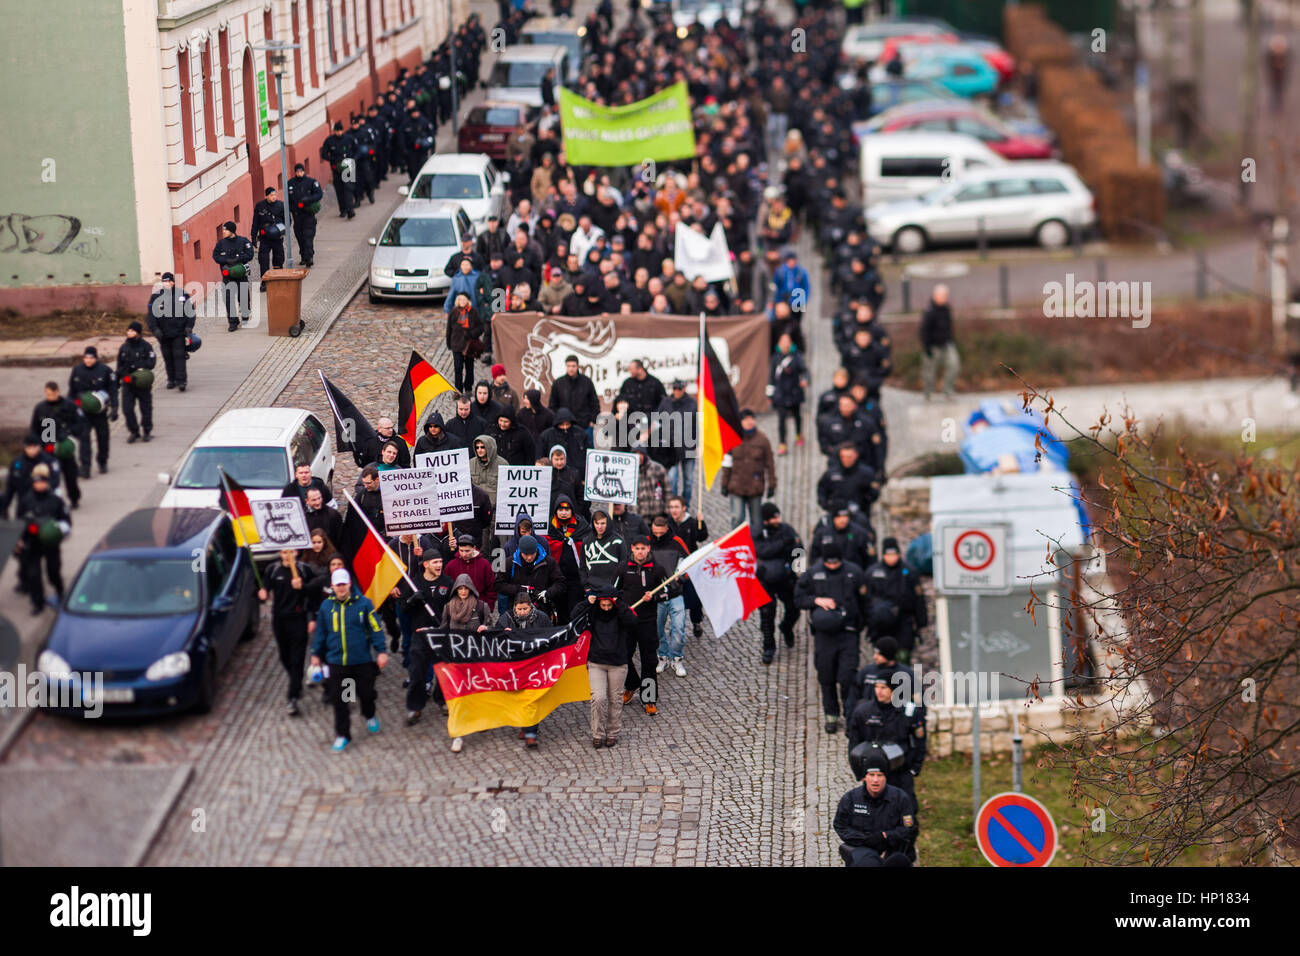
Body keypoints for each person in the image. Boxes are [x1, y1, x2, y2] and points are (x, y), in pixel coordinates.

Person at [310, 568, 388, 751]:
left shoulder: (364, 605)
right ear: (332, 587)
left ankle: (369, 714)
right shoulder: (326, 607)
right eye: (338, 585)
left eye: (344, 584)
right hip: (338, 663)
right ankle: (343, 734)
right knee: (341, 700)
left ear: (349, 585)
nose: (341, 588)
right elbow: (321, 632)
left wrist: (381, 651)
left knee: (367, 694)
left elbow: (375, 628)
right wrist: (316, 653)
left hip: (361, 661)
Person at [795, 541, 867, 734]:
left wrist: (862, 624)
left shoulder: (854, 572)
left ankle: (850, 716)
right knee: (826, 676)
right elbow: (799, 599)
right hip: (824, 635)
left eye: (836, 563)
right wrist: (816, 600)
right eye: (830, 563)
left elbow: (865, 601)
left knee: (847, 677)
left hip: (848, 632)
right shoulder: (812, 574)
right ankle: (831, 715)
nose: (833, 566)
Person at [847, 674, 927, 811]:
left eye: (883, 688)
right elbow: (854, 744)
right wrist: (860, 772)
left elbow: (919, 741)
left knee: (907, 809)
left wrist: (915, 766)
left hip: (901, 769)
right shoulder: (862, 712)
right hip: (874, 771)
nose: (878, 691)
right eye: (877, 687)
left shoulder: (909, 711)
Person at [258, 548, 321, 716]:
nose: (288, 555)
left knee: (297, 658)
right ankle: (296, 681)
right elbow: (264, 588)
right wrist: (262, 593)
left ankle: (292, 697)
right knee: (284, 656)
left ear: (297, 552)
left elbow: (314, 593)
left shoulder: (304, 569)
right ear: (280, 554)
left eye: (291, 552)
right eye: (284, 552)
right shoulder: (273, 570)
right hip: (279, 619)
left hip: (298, 618)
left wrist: (312, 616)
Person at [834, 747, 917, 867]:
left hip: (892, 847)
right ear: (864, 777)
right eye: (871, 775)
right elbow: (840, 826)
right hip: (862, 848)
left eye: (880, 775)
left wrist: (885, 836)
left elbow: (908, 828)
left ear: (886, 777)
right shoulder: (850, 799)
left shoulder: (900, 798)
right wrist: (865, 838)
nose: (875, 780)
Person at [440, 574, 494, 753]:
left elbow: (491, 626)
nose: (463, 591)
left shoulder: (481, 607)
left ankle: (482, 719)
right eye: (460, 588)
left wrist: (486, 628)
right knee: (459, 697)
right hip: (457, 660)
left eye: (466, 588)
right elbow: (443, 632)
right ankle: (458, 735)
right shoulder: (448, 608)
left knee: (478, 692)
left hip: (476, 659)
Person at [403, 551, 454, 725]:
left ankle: (442, 700)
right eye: (435, 562)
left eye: (441, 561)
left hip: (441, 633)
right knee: (417, 672)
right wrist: (412, 600)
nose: (439, 565)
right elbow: (403, 609)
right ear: (425, 564)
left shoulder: (448, 583)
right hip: (421, 635)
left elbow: (453, 608)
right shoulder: (415, 583)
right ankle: (415, 706)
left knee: (443, 671)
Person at [618, 534, 666, 714]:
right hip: (628, 622)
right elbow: (614, 593)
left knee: (649, 661)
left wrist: (654, 596)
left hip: (648, 622)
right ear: (632, 549)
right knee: (622, 655)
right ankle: (632, 684)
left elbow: (668, 592)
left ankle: (649, 699)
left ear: (648, 549)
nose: (640, 552)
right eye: (637, 548)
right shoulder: (623, 568)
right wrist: (623, 608)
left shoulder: (657, 569)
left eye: (643, 548)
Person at [499, 590, 554, 747]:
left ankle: (531, 733)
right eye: (519, 609)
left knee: (531, 698)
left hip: (535, 664)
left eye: (525, 609)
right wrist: (504, 633)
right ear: (514, 607)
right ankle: (525, 724)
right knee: (518, 698)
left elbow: (550, 636)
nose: (522, 612)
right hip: (515, 665)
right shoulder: (506, 619)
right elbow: (496, 638)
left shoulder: (542, 618)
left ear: (531, 607)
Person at [586, 584, 638, 748]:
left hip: (618, 663)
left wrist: (620, 604)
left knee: (615, 700)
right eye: (604, 605)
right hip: (596, 662)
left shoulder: (621, 611)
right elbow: (575, 615)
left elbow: (632, 621)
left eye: (609, 605)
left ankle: (612, 733)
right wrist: (587, 602)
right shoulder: (594, 611)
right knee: (598, 698)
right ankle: (597, 733)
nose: (607, 608)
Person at [14, 465, 70, 615]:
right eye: (37, 482)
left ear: (47, 482)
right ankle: (37, 603)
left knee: (53, 571)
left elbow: (66, 520)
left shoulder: (56, 500)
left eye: (42, 482)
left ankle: (60, 593)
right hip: (32, 543)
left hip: (50, 543)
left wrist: (58, 530)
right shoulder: (26, 500)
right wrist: (19, 539)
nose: (39, 484)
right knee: (33, 575)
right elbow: (19, 521)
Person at [864, 537, 928, 664]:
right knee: (883, 658)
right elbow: (866, 600)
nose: (891, 558)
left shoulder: (909, 572)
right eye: (888, 555)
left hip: (904, 619)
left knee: (903, 656)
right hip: (881, 622)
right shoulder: (873, 572)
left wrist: (921, 621)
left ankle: (901, 681)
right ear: (883, 555)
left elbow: (918, 598)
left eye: (894, 554)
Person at [755, 502, 802, 663]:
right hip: (764, 581)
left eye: (777, 516)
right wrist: (783, 544)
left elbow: (798, 548)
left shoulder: (787, 530)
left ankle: (786, 627)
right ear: (765, 520)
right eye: (773, 517)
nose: (777, 519)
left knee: (794, 608)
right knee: (767, 615)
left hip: (786, 579)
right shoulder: (757, 533)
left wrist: (798, 569)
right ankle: (769, 646)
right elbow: (763, 551)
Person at [29, 381, 84, 509]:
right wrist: (37, 445)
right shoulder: (40, 408)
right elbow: (34, 429)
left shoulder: (69, 405)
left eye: (52, 394)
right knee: (50, 478)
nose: (50, 397)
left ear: (58, 392)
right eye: (48, 394)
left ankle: (74, 498)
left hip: (65, 447)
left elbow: (79, 423)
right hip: (48, 449)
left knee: (71, 476)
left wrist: (70, 435)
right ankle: (51, 502)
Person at [719, 408, 775, 530]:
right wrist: (724, 484)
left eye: (751, 419)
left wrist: (772, 485)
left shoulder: (763, 440)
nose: (749, 422)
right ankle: (736, 544)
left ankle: (756, 545)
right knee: (737, 518)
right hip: (736, 486)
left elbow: (770, 464)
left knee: (756, 521)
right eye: (746, 420)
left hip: (755, 487)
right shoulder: (732, 438)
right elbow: (727, 463)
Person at [68, 346, 117, 476]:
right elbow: (72, 392)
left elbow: (113, 390)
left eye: (91, 358)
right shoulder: (77, 370)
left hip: (100, 413)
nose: (88, 360)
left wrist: (115, 408)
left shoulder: (105, 371)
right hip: (83, 413)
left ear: (96, 358)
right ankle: (85, 466)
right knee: (84, 439)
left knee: (103, 438)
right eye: (86, 357)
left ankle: (102, 462)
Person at [146, 272, 195, 391]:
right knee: (168, 358)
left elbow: (190, 313)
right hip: (163, 334)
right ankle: (171, 379)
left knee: (179, 357)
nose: (166, 283)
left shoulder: (182, 294)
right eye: (164, 281)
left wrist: (188, 327)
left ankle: (181, 381)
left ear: (173, 282)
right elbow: (151, 315)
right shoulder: (156, 297)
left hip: (178, 332)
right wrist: (155, 329)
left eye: (168, 281)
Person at [1, 434, 61, 518]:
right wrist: (4, 506)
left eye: (34, 447)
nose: (31, 450)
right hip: (23, 504)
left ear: (39, 447)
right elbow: (11, 486)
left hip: (44, 502)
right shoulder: (17, 463)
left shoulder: (49, 461)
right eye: (29, 447)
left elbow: (55, 481)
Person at [116, 322, 156, 444]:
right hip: (128, 383)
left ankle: (147, 431)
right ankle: (134, 431)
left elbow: (151, 363)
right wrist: (119, 379)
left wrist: (136, 366)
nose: (130, 333)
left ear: (138, 333)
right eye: (129, 331)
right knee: (127, 409)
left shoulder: (146, 346)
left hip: (142, 383)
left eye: (133, 331)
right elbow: (119, 366)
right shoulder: (124, 347)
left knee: (146, 408)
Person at [768, 333, 808, 455]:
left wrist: (805, 379)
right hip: (781, 393)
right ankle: (782, 443)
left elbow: (804, 370)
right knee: (781, 419)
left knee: (797, 415)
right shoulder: (775, 358)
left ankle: (798, 433)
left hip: (794, 391)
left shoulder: (796, 357)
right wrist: (770, 395)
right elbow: (771, 377)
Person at [213, 221, 255, 331]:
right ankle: (233, 322)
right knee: (228, 300)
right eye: (223, 229)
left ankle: (245, 316)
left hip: (241, 275)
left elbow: (250, 254)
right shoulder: (221, 244)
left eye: (225, 230)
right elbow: (215, 256)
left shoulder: (243, 241)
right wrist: (226, 260)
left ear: (232, 231)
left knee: (244, 296)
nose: (223, 231)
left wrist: (238, 259)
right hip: (227, 277)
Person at [920, 284, 959, 401]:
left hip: (947, 344)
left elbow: (949, 326)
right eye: (941, 295)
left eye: (945, 295)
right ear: (935, 296)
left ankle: (948, 390)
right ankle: (928, 393)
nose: (944, 298)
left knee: (954, 366)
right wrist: (927, 348)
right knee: (929, 373)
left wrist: (951, 339)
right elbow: (924, 331)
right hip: (933, 347)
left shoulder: (946, 309)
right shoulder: (929, 311)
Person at [548, 355, 601, 434]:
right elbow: (552, 405)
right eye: (568, 366)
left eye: (573, 366)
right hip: (564, 425)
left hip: (584, 425)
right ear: (566, 366)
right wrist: (557, 421)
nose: (571, 368)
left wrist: (593, 420)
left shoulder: (586, 382)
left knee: (585, 446)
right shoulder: (558, 383)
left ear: (577, 366)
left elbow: (594, 403)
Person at [445, 292, 485, 392]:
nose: (462, 301)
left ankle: (468, 388)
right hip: (456, 344)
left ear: (468, 301)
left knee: (469, 367)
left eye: (464, 299)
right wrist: (449, 343)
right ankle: (458, 390)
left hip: (469, 344)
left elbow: (481, 327)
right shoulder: (453, 312)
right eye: (460, 299)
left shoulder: (473, 312)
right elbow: (449, 328)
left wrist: (471, 334)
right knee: (458, 368)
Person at [446, 534, 497, 609]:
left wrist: (488, 607)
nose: (464, 554)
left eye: (467, 551)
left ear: (474, 548)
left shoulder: (485, 564)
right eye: (461, 550)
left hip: (479, 607)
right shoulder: (451, 565)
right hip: (457, 608)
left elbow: (491, 589)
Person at [286, 163, 322, 267]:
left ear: (304, 171)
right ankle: (303, 256)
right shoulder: (290, 183)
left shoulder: (311, 182)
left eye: (301, 171)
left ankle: (309, 257)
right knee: (299, 236)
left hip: (308, 214)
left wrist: (308, 200)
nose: (299, 173)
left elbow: (319, 194)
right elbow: (288, 200)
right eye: (297, 171)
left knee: (308, 236)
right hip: (297, 215)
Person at [321, 120, 357, 218]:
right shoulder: (329, 141)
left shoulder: (348, 139)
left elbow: (355, 149)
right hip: (336, 168)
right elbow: (324, 154)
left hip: (347, 167)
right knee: (339, 189)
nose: (339, 133)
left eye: (340, 130)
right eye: (337, 131)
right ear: (334, 131)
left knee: (348, 188)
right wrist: (333, 160)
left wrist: (352, 159)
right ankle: (343, 209)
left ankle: (350, 209)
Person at [251, 187, 287, 282]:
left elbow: (287, 221)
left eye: (275, 194)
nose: (274, 197)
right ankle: (265, 281)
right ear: (266, 196)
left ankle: (278, 278)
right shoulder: (260, 206)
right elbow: (255, 223)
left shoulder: (281, 205)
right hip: (264, 238)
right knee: (263, 260)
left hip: (277, 237)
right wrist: (253, 237)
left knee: (279, 258)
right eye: (271, 195)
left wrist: (283, 231)